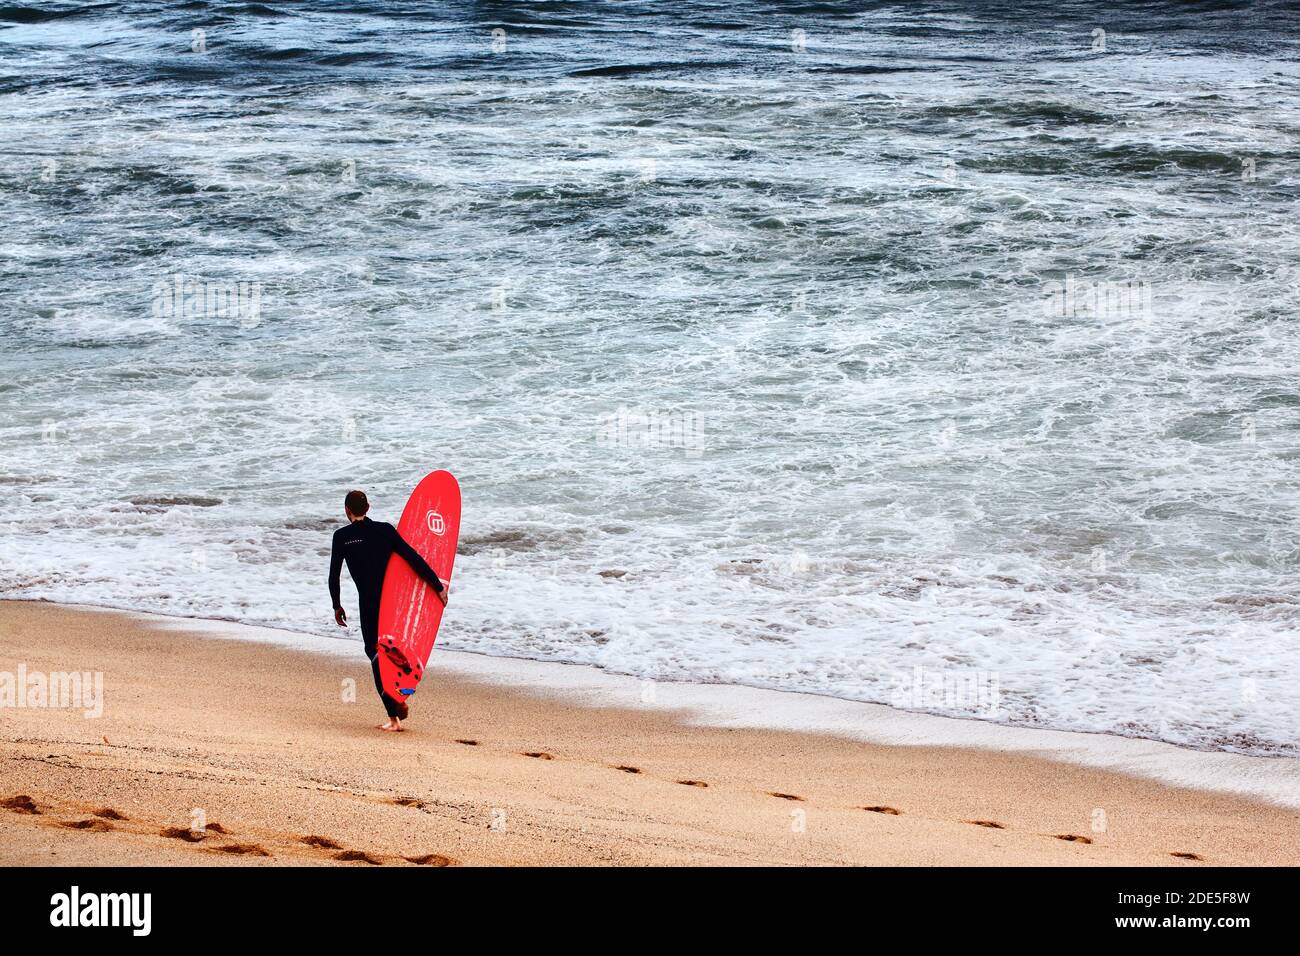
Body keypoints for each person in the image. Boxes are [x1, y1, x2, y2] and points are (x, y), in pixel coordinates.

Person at [328, 489, 447, 732]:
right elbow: (413, 558)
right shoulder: (384, 530)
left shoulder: (341, 536)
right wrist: (437, 586)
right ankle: (400, 689)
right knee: (392, 647)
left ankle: (394, 715)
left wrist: (337, 605)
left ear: (346, 511)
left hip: (369, 603)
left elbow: (334, 576)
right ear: (368, 508)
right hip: (393, 603)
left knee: (374, 653)